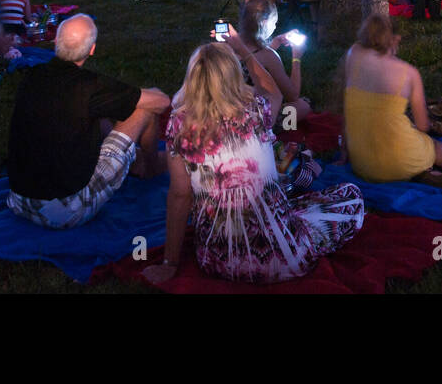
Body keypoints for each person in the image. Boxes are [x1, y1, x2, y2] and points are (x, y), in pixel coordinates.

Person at [144, 41, 363, 284]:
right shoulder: (255, 109)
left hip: (216, 261)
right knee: (350, 196)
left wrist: (170, 263)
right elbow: (275, 91)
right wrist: (244, 50)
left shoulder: (179, 123)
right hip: (285, 259)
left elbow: (180, 195)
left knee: (291, 203)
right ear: (234, 74)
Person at [6, 14, 170, 229]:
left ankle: (134, 160)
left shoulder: (32, 76)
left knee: (100, 113)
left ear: (56, 41)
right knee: (144, 111)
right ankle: (150, 167)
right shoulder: (89, 86)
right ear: (92, 49)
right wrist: (149, 93)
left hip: (18, 199)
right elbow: (161, 102)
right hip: (65, 210)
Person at [342, 13, 442, 186]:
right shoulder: (408, 73)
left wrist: (345, 152)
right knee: (435, 146)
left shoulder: (353, 54)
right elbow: (423, 126)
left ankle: (426, 173)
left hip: (363, 164)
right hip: (400, 159)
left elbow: (346, 111)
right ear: (395, 39)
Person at [223, 0, 311, 124]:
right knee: (302, 106)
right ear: (264, 22)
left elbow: (253, 58)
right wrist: (296, 59)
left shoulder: (228, 45)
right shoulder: (269, 56)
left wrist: (276, 42)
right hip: (252, 118)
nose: (275, 27)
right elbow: (292, 95)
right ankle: (277, 131)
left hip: (225, 109)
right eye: (274, 23)